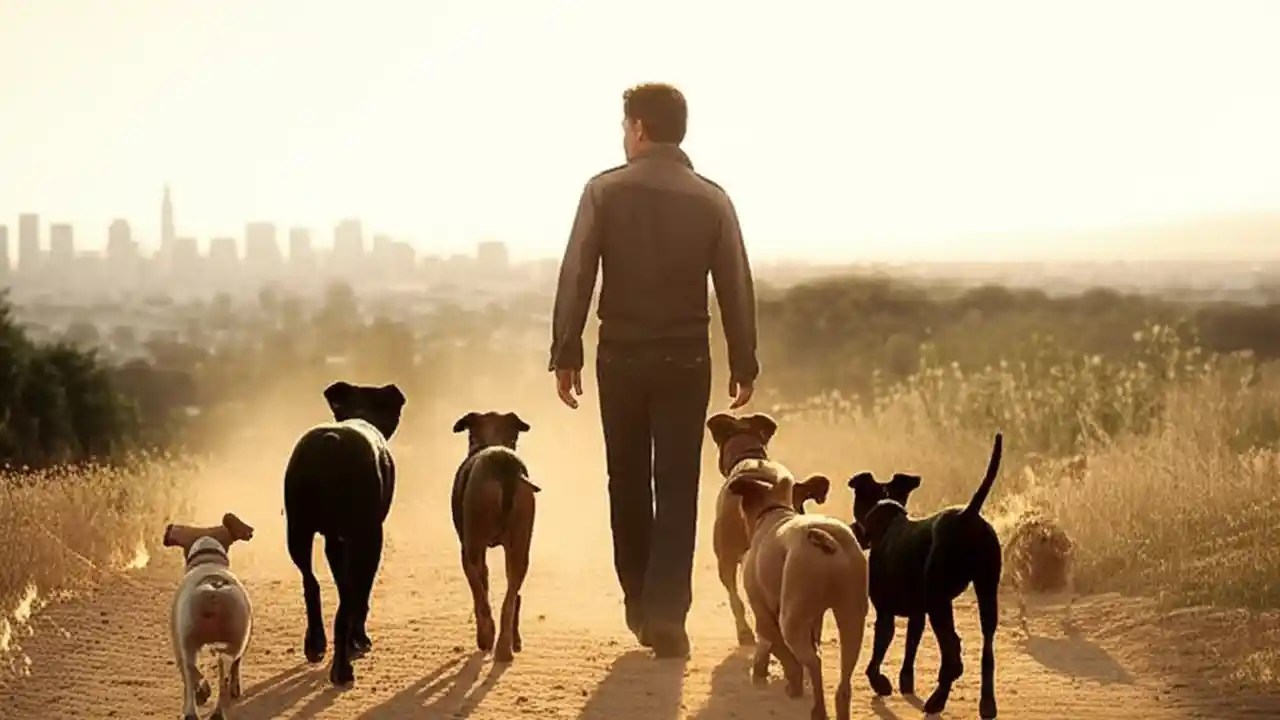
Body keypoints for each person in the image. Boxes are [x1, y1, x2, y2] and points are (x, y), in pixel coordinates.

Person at [548, 82, 759, 658]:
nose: (623, 136)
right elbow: (735, 284)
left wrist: (566, 351)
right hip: (687, 360)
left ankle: (639, 601)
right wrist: (745, 358)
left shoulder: (602, 192)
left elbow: (576, 276)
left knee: (628, 479)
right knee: (677, 485)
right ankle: (668, 612)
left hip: (620, 357)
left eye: (624, 126)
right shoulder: (712, 198)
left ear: (638, 128)